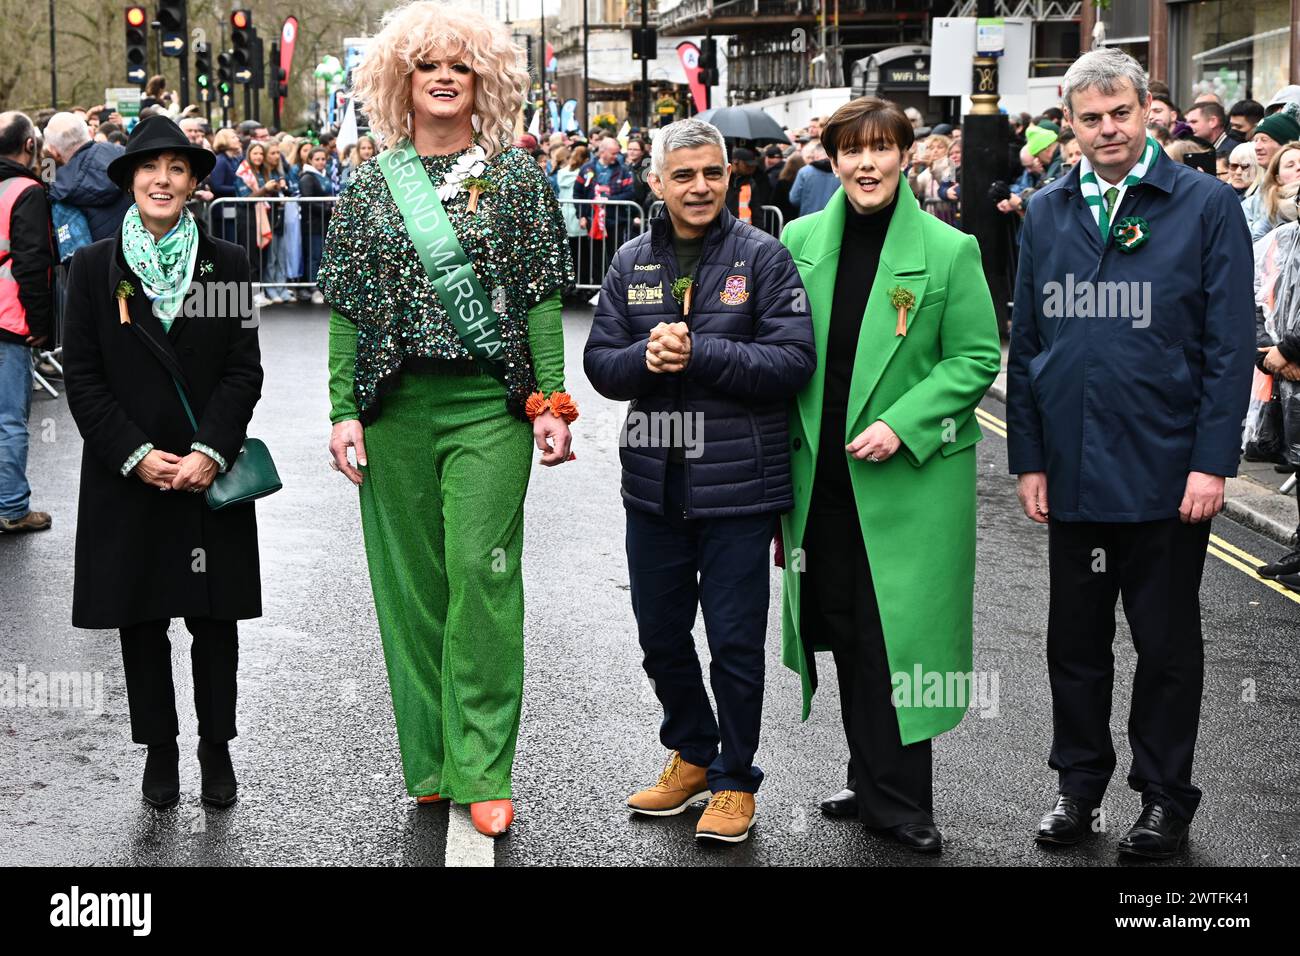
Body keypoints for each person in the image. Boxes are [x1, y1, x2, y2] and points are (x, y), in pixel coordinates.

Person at [317, 0, 574, 838]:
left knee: (481, 575)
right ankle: (431, 762)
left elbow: (539, 300)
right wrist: (341, 411)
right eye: (426, 64)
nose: (441, 77)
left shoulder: (520, 181)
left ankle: (484, 766)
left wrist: (551, 400)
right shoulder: (367, 187)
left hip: (486, 406)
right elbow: (349, 310)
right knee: (413, 590)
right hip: (394, 409)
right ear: (401, 79)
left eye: (458, 66)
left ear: (482, 81)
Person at [1006, 49, 1254, 859]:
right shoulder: (1044, 212)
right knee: (1074, 646)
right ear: (1068, 125)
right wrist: (1030, 458)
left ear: (1149, 110)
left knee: (1166, 646)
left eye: (1121, 113)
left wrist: (1212, 463)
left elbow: (1228, 347)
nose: (1108, 130)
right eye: (1091, 118)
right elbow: (1031, 343)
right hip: (1074, 468)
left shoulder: (1207, 204)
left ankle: (1164, 797)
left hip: (1166, 471)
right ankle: (1078, 790)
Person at [777, 97, 1000, 854]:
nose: (865, 164)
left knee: (894, 637)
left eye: (880, 149)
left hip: (905, 478)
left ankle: (903, 801)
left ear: (907, 155)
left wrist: (901, 423)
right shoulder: (800, 239)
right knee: (840, 628)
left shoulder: (949, 249)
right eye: (850, 150)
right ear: (831, 160)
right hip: (822, 482)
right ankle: (869, 776)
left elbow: (975, 357)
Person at [583, 118, 815, 844]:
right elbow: (599, 363)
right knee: (659, 636)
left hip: (739, 489)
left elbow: (792, 362)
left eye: (711, 173)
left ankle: (735, 781)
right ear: (656, 182)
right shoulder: (630, 261)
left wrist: (700, 352)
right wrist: (646, 359)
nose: (699, 187)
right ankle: (692, 751)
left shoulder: (765, 257)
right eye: (683, 175)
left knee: (736, 644)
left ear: (728, 177)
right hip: (654, 486)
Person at [60, 115, 264, 811]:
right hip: (130, 478)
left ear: (194, 183)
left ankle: (215, 745)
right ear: (130, 181)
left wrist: (210, 450)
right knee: (141, 622)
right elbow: (81, 377)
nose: (163, 180)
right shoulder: (93, 270)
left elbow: (243, 370)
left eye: (177, 169)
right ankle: (161, 749)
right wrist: (135, 454)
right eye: (150, 169)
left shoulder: (228, 265)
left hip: (205, 475)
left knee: (214, 623)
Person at [0, 111, 57, 534]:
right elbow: (33, 264)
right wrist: (42, 323)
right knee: (8, 418)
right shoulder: (26, 191)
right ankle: (13, 506)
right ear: (30, 145)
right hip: (8, 319)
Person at [43, 112, 132, 242]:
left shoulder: (59, 187)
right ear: (90, 133)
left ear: (54, 152)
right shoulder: (124, 155)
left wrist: (47, 158)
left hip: (94, 257)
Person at [297, 147, 333, 304]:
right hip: (312, 223)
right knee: (314, 256)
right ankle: (313, 288)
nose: (320, 162)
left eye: (323, 159)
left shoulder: (325, 175)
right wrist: (328, 208)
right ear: (310, 160)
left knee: (322, 256)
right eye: (317, 159)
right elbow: (308, 200)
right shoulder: (307, 178)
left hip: (324, 222)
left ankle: (321, 287)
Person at [1244, 142, 1300, 242]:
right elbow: (1256, 241)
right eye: (1290, 165)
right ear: (1278, 178)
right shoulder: (1270, 206)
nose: (1298, 167)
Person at [788, 139, 838, 217]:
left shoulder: (804, 172)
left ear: (816, 155)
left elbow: (794, 199)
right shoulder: (840, 172)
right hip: (834, 219)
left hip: (808, 219)